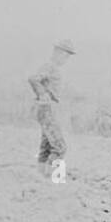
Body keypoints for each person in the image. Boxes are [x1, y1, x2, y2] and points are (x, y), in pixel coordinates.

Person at [28, 39, 76, 175]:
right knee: (60, 147)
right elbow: (33, 78)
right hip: (46, 110)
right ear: (57, 52)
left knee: (47, 145)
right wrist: (42, 94)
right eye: (65, 55)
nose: (66, 59)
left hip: (47, 110)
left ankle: (41, 177)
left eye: (68, 56)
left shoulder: (51, 67)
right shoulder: (50, 67)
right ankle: (55, 178)